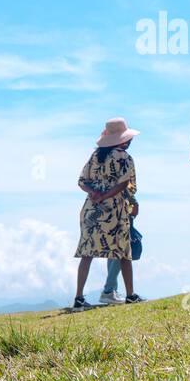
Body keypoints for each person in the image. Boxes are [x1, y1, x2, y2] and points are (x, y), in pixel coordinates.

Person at [74, 118, 143, 309]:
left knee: (87, 253)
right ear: (123, 140)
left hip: (91, 209)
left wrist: (94, 193)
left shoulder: (95, 156)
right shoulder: (125, 158)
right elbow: (124, 184)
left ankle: (79, 298)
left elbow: (81, 181)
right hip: (115, 209)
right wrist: (107, 196)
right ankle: (130, 295)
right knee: (123, 253)